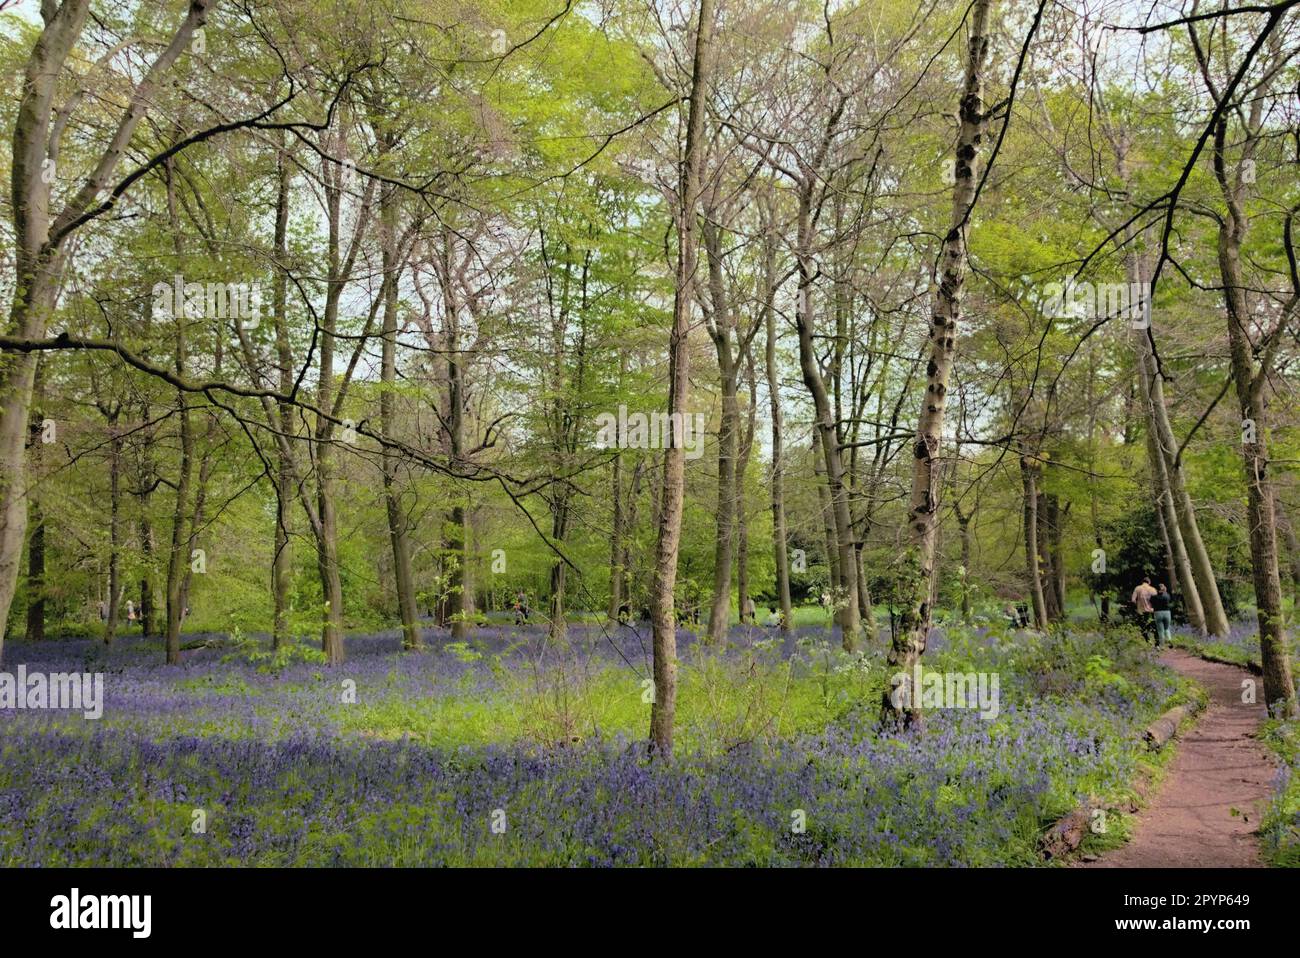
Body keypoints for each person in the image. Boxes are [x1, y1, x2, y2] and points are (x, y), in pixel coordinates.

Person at [1131, 576, 1157, 642]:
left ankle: (1147, 640)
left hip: (1141, 611)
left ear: (1142, 582)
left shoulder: (1137, 588)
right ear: (1149, 582)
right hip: (1151, 610)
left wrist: (1136, 606)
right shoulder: (1153, 589)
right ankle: (1157, 641)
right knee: (1154, 625)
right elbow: (1157, 600)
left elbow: (1133, 600)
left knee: (1142, 626)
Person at [1151, 582, 1172, 647]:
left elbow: (1151, 603)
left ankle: (1162, 645)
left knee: (1160, 630)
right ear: (1164, 589)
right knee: (1167, 628)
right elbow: (1169, 600)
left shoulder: (1154, 597)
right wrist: (1165, 591)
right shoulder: (1167, 596)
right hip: (1167, 613)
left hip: (1157, 613)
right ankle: (1169, 642)